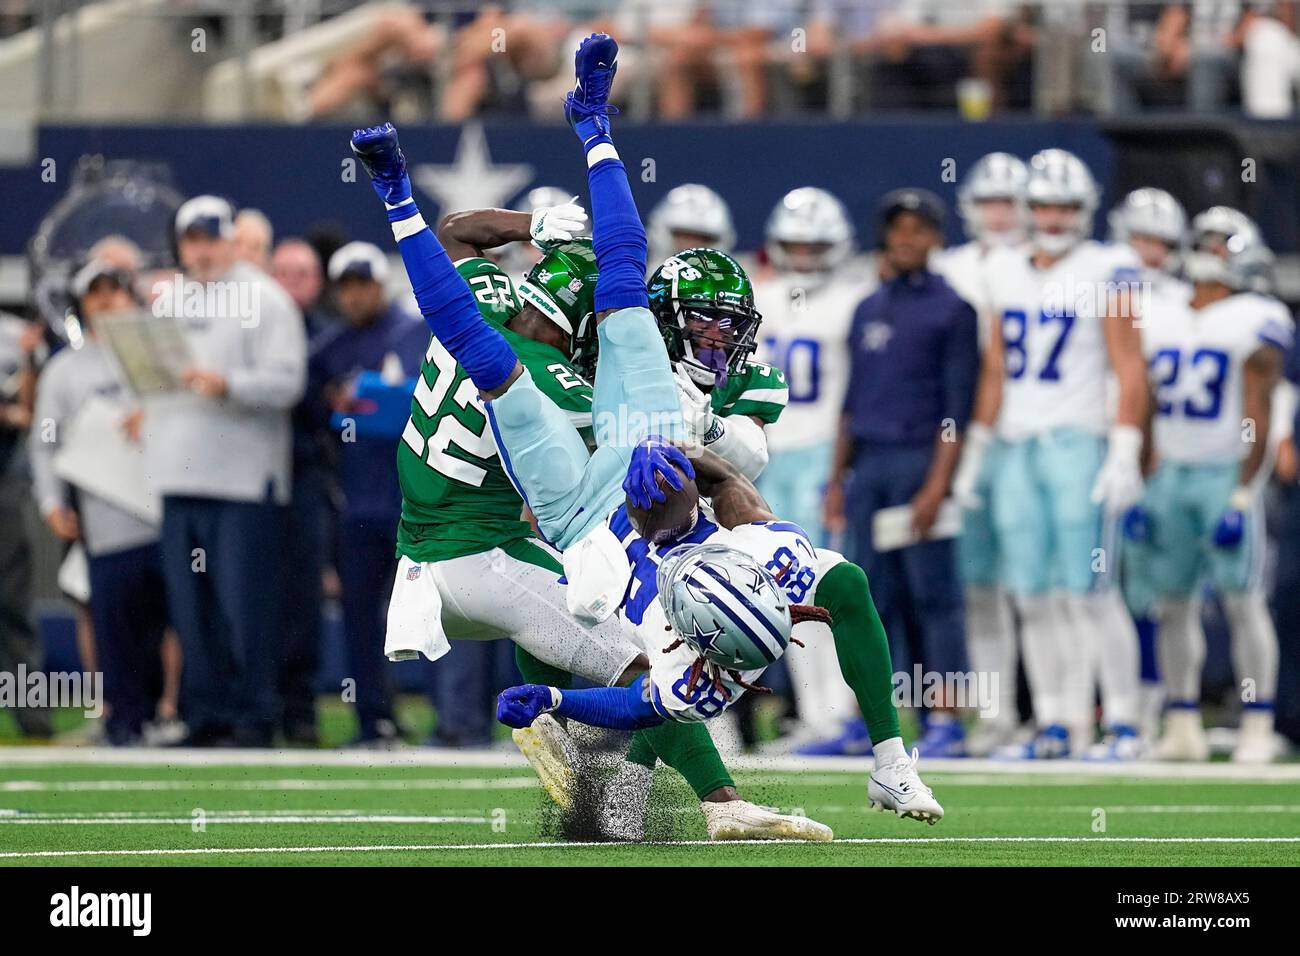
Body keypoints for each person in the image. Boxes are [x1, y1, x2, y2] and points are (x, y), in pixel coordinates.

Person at [352, 34, 832, 843]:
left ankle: (581, 762)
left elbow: (453, 280)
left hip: (444, 542)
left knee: (579, 595)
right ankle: (715, 803)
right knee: (644, 657)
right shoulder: (564, 382)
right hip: (482, 554)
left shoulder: (484, 296)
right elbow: (655, 469)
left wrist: (399, 198)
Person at [961, 150, 1148, 759]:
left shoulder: (1111, 267)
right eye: (1045, 204)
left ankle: (1120, 721)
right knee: (1031, 594)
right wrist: (976, 451)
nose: (1055, 216)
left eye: (1066, 206)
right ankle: (1055, 722)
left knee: (1090, 589)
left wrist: (1125, 447)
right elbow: (994, 370)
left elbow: (1130, 365)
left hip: (1078, 440)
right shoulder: (1002, 269)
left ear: (1085, 208)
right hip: (1015, 445)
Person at [147, 195, 306, 747]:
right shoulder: (166, 300)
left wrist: (231, 384)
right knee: (192, 613)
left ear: (230, 240)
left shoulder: (264, 298)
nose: (202, 249)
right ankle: (205, 713)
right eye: (192, 238)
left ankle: (255, 715)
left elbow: (289, 381)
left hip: (242, 481)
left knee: (246, 606)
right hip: (177, 475)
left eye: (211, 238)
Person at [824, 188, 978, 758]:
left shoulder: (953, 309)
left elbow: (954, 412)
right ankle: (869, 723)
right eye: (899, 228)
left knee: (935, 597)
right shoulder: (868, 307)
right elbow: (851, 403)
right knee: (870, 600)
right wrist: (837, 481)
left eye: (920, 228)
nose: (908, 238)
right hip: (872, 467)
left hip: (920, 460)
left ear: (936, 237)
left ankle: (946, 720)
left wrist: (938, 484)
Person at [1137, 208, 1292, 763]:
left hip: (1226, 471)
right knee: (1172, 603)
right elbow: (1145, 401)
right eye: (1204, 240)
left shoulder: (1255, 315)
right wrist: (1142, 478)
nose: (1210, 251)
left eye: (1222, 242)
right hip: (1170, 474)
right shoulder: (1160, 312)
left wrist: (1246, 491)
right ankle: (1181, 724)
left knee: (1242, 601)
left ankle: (1257, 721)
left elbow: (1261, 407)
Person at [752, 186, 874, 753]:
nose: (803, 257)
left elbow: (858, 396)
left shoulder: (853, 300)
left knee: (827, 585)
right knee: (783, 592)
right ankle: (815, 714)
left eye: (814, 246)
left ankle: (840, 714)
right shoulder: (758, 295)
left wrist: (841, 468)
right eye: (794, 246)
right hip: (768, 458)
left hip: (825, 453)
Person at [30, 260, 169, 745]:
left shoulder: (156, 351)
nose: (107, 301)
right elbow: (44, 443)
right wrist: (51, 502)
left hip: (169, 515)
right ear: (83, 305)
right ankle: (123, 720)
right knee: (114, 626)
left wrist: (152, 411)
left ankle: (176, 713)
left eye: (115, 291)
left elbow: (194, 410)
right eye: (96, 294)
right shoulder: (65, 370)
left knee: (177, 622)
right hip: (106, 518)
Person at [311, 241, 428, 746]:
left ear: (381, 284)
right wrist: (336, 404)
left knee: (424, 613)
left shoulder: (412, 331)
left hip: (412, 501)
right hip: (355, 504)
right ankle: (371, 720)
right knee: (360, 618)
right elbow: (310, 407)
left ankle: (451, 719)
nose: (356, 296)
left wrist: (364, 400)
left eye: (364, 284)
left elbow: (416, 403)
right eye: (347, 287)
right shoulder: (328, 348)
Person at [940, 152, 1028, 755]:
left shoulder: (1046, 270)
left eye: (1009, 201)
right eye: (988, 200)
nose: (998, 214)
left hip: (1028, 437)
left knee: (1036, 587)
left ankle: (1055, 716)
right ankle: (994, 715)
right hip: (955, 439)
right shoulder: (947, 269)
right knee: (975, 589)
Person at [0, 307, 49, 739]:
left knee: (14, 607)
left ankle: (32, 716)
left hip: (5, 485)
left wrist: (32, 362)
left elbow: (32, 413)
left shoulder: (15, 336)